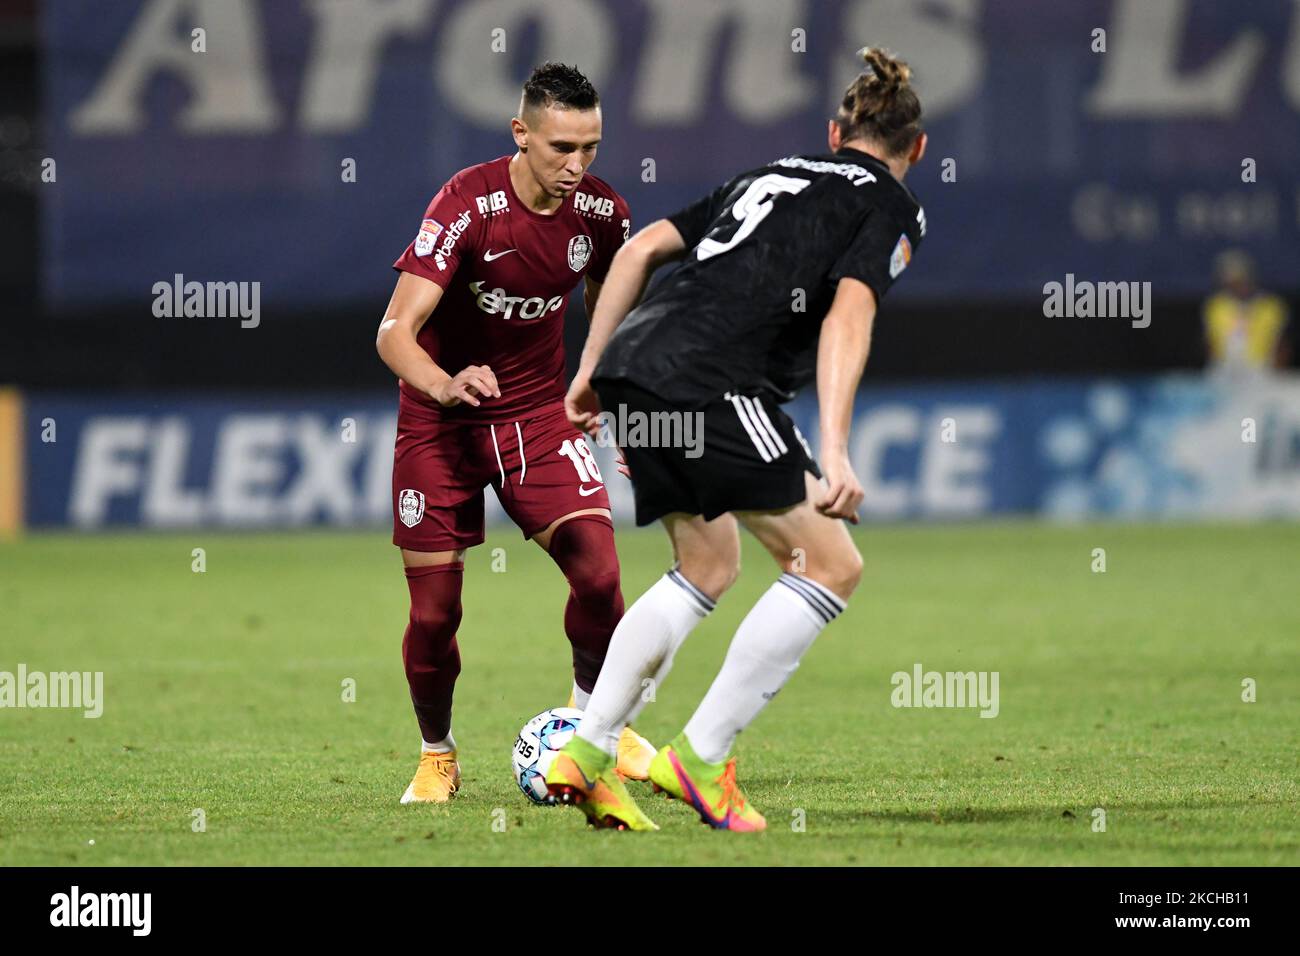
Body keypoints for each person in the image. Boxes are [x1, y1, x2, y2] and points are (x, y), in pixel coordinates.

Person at [544, 48, 928, 831]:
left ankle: (585, 753)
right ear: (917, 150)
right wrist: (839, 448)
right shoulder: (891, 205)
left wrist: (590, 366)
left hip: (638, 366)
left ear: (833, 132)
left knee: (708, 564)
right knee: (830, 564)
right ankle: (702, 757)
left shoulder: (771, 173)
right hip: (710, 377)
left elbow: (642, 245)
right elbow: (852, 313)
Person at [376, 62, 653, 804]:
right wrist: (444, 382)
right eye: (562, 147)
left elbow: (612, 318)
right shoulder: (466, 206)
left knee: (599, 575)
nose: (577, 165)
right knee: (435, 615)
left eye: (591, 147)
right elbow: (394, 332)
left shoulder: (601, 214)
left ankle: (594, 729)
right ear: (521, 133)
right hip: (441, 421)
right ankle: (438, 754)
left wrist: (623, 405)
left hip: (537, 418)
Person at [1203, 250, 1291, 378]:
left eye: (1240, 279)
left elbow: (1282, 343)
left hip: (1262, 367)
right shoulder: (1216, 306)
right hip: (1225, 367)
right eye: (1231, 280)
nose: (1237, 285)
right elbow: (1210, 341)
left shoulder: (1270, 305)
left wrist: (1276, 372)